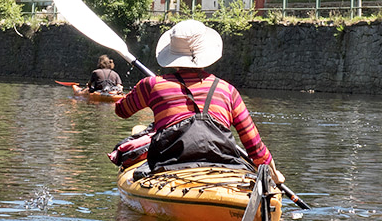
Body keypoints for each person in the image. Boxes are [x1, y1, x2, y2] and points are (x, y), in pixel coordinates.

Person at [115, 19, 282, 181]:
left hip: (167, 166)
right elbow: (255, 147)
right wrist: (273, 173)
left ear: (172, 54)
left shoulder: (151, 85)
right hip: (224, 167)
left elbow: (122, 111)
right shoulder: (228, 90)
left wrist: (136, 91)